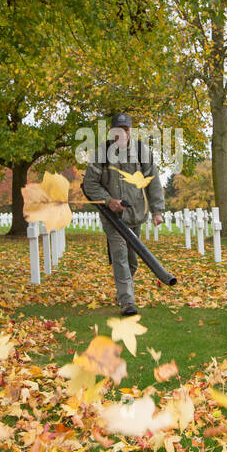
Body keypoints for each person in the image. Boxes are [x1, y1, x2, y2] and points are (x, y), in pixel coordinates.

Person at [80, 113, 165, 315]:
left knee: (132, 261)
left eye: (126, 130)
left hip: (136, 215)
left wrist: (157, 210)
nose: (122, 134)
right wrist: (109, 200)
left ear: (130, 131)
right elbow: (89, 184)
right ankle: (128, 302)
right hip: (113, 218)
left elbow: (153, 181)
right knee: (120, 256)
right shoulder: (102, 153)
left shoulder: (141, 151)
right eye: (118, 130)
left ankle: (123, 290)